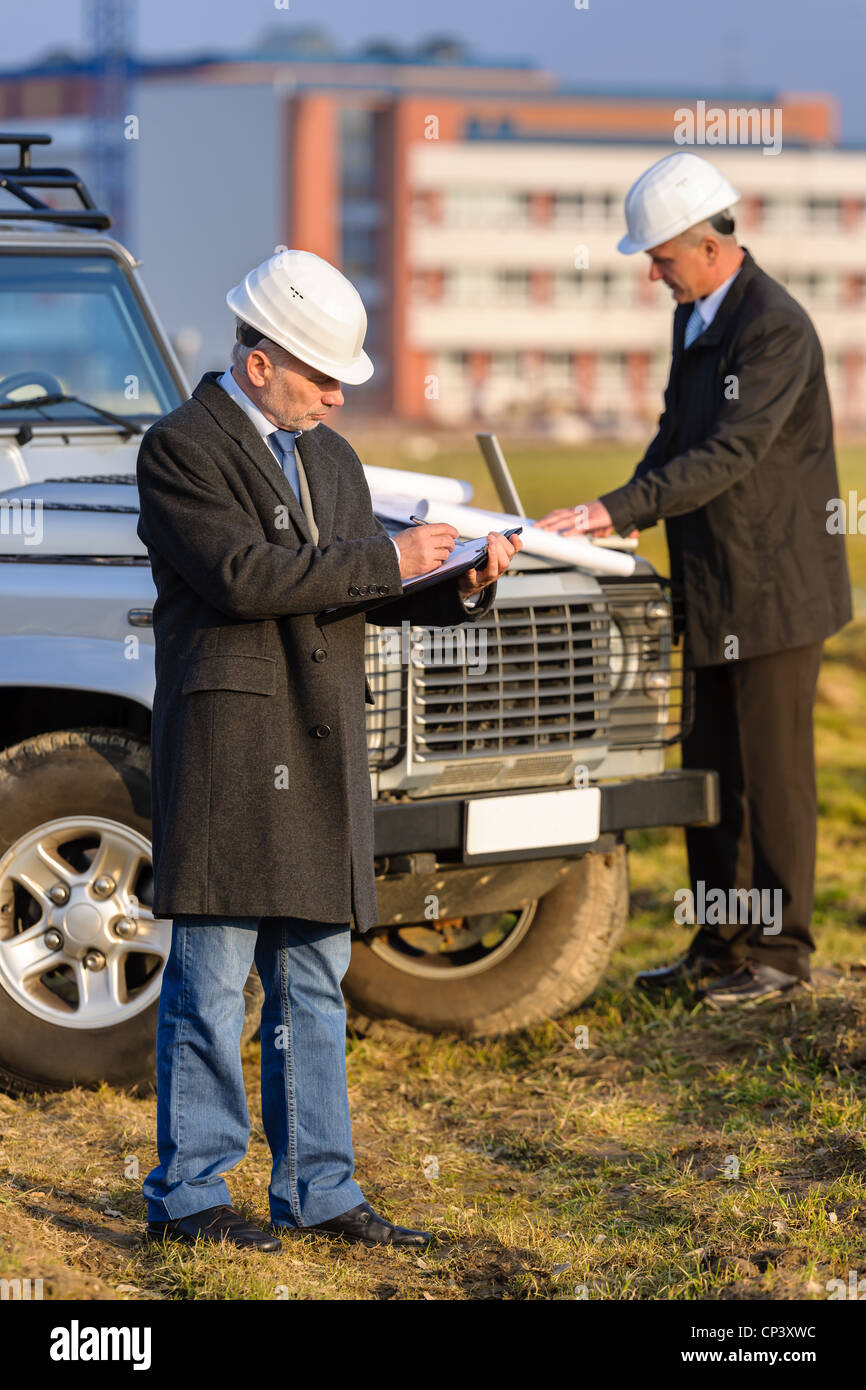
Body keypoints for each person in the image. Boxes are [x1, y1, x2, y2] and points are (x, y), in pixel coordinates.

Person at [136, 249, 522, 1252]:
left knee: (311, 981)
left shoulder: (334, 460)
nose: (339, 392)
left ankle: (318, 1191)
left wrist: (460, 584)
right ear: (259, 361)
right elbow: (242, 575)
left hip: (317, 752)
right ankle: (191, 1198)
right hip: (229, 747)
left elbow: (359, 588)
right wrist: (385, 558)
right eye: (320, 374)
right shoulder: (179, 448)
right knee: (212, 984)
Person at [536, 152, 851, 1010]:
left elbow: (728, 456)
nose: (651, 270)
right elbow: (677, 437)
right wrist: (617, 512)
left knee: (771, 779)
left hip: (775, 595)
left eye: (660, 255)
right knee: (712, 773)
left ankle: (780, 955)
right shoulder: (698, 317)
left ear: (707, 244)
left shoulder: (773, 327)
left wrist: (615, 509)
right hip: (712, 588)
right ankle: (720, 946)